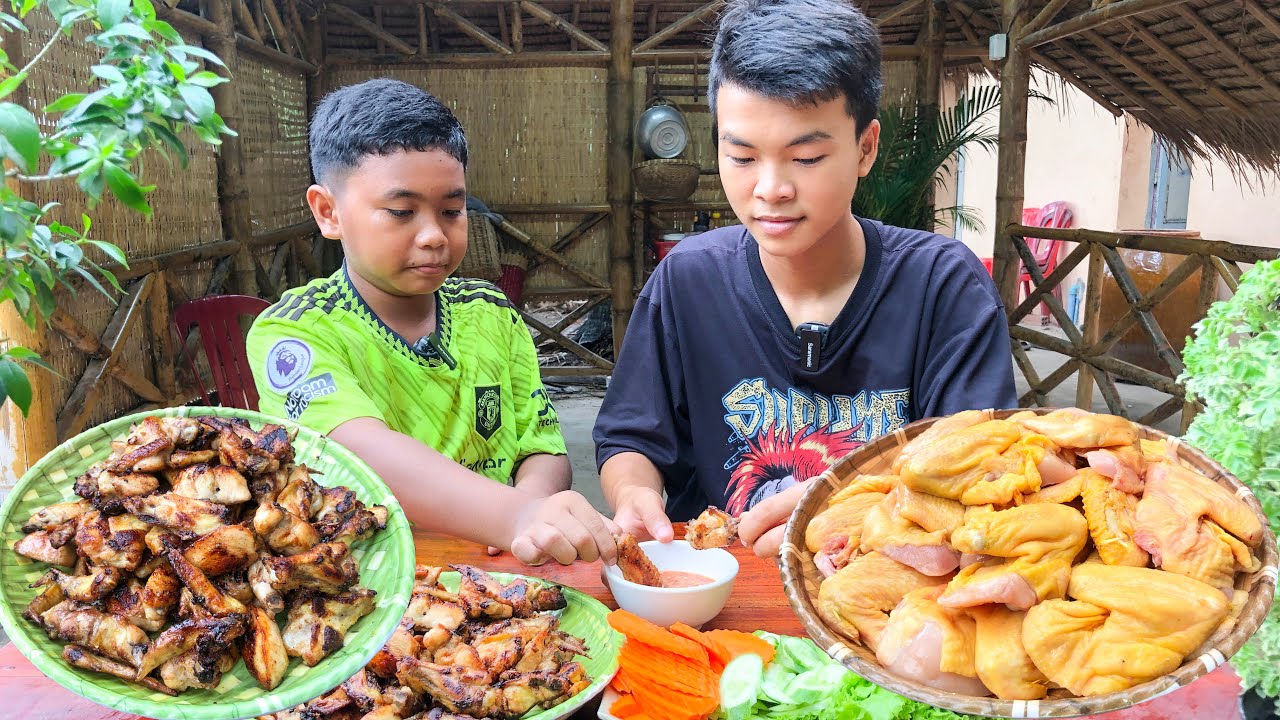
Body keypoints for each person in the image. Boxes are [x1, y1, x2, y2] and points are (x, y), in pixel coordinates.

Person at [594, 0, 1016, 559]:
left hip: (885, 594)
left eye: (808, 157)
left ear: (865, 148)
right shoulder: (686, 281)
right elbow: (630, 438)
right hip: (722, 594)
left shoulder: (942, 286)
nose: (771, 189)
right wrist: (634, 496)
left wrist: (842, 506)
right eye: (741, 157)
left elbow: (979, 462)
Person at [247, 78, 616, 567]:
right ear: (328, 211)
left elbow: (542, 445)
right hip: (367, 582)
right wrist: (510, 514)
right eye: (401, 212)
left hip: (499, 571)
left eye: (452, 210)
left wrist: (535, 506)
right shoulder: (296, 332)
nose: (433, 236)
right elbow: (361, 453)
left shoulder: (491, 313)